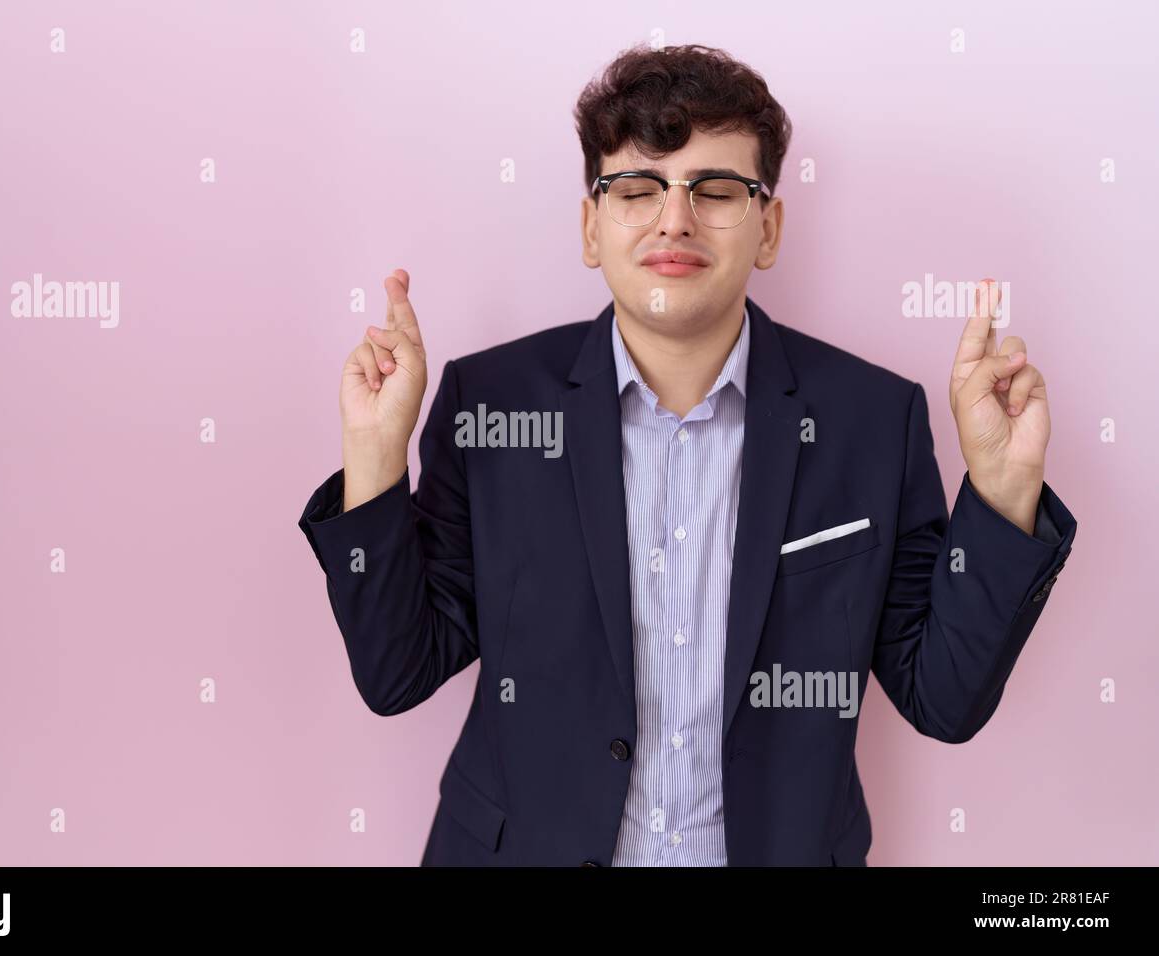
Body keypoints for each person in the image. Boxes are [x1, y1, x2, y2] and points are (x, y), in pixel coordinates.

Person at [298, 44, 1076, 866]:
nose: (675, 219)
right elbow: (397, 672)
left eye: (715, 191)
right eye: (637, 190)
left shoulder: (871, 419)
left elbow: (944, 698)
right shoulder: (490, 405)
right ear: (591, 228)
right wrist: (374, 461)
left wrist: (1001, 489)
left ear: (768, 228)